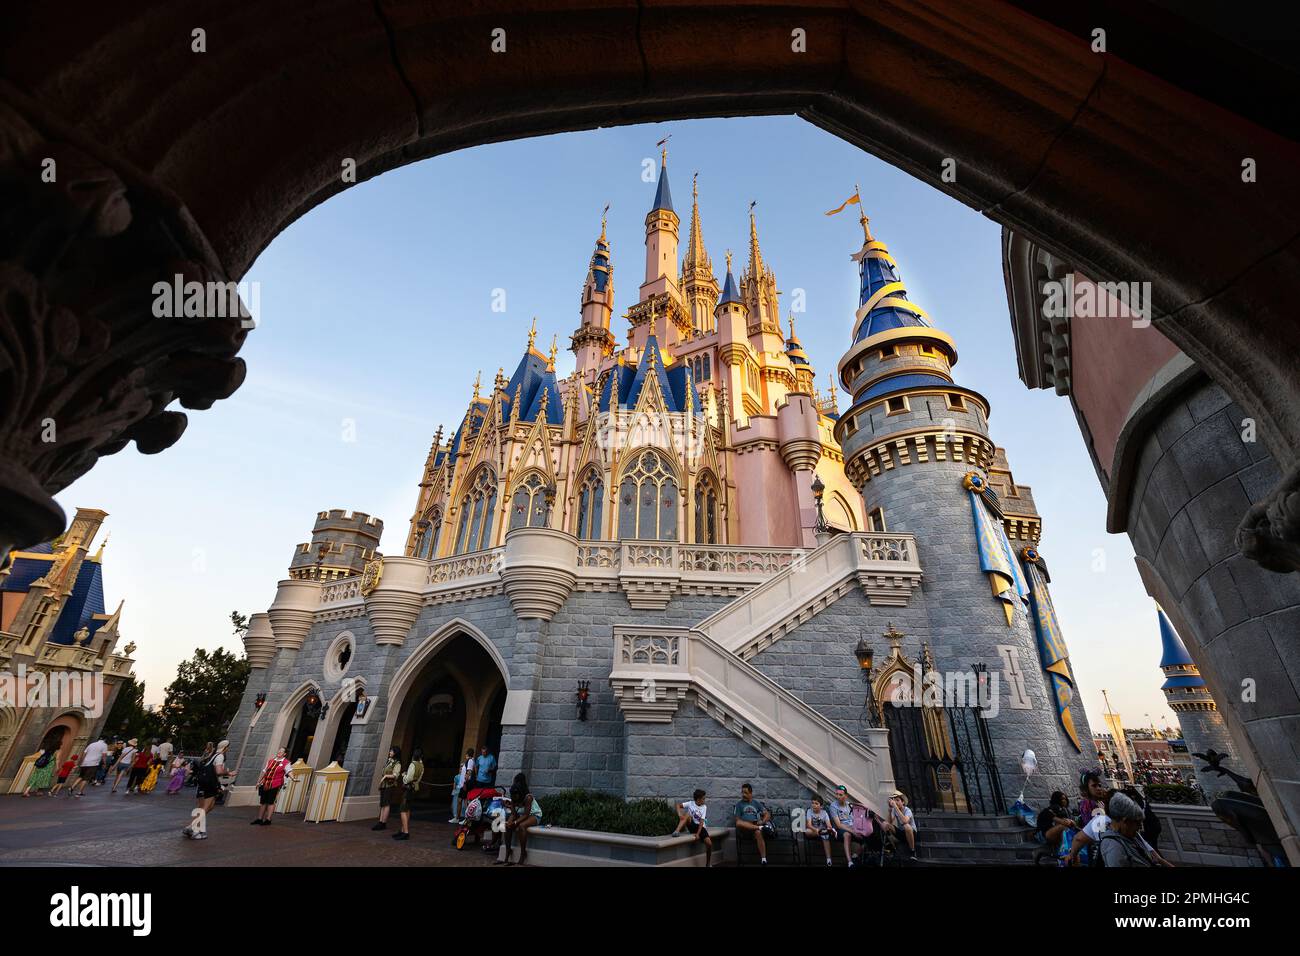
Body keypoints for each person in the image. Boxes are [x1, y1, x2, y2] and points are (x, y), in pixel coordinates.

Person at [183, 740, 231, 840]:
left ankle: (195, 828)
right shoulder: (220, 756)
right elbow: (218, 771)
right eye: (228, 747)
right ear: (225, 747)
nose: (228, 749)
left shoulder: (212, 755)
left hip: (202, 782)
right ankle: (192, 828)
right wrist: (228, 773)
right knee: (206, 807)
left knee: (208, 806)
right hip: (210, 783)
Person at [1098, 792, 1158, 867]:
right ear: (1125, 821)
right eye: (1137, 823)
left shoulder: (1131, 835)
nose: (1140, 827)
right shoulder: (1114, 847)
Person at [499, 772, 541, 865]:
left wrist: (514, 823)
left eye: (516, 795)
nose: (514, 797)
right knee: (506, 826)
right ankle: (508, 850)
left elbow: (526, 815)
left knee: (522, 826)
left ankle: (523, 853)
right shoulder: (513, 797)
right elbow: (513, 814)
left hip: (534, 815)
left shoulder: (528, 797)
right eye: (513, 796)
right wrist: (510, 822)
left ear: (520, 793)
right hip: (521, 815)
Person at [732, 782, 772, 865]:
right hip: (744, 830)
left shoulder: (756, 803)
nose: (743, 795)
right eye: (742, 792)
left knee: (758, 833)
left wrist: (762, 821)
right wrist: (755, 825)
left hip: (754, 828)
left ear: (751, 793)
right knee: (739, 823)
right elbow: (737, 821)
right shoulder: (739, 805)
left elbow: (767, 814)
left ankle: (763, 859)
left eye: (746, 793)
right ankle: (760, 827)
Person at [672, 789, 713, 866]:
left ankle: (707, 864)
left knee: (709, 843)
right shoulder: (690, 803)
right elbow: (678, 805)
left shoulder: (704, 807)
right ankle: (677, 831)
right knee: (687, 814)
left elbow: (701, 822)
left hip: (701, 827)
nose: (704, 800)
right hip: (692, 825)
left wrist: (698, 834)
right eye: (703, 798)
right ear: (698, 799)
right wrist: (679, 814)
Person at [253, 748, 292, 825]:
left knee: (270, 801)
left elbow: (289, 771)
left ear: (284, 754)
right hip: (265, 783)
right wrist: (259, 782)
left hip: (275, 784)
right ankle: (259, 819)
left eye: (281, 751)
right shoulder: (271, 761)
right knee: (263, 801)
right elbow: (265, 772)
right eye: (279, 750)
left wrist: (293, 778)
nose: (279, 752)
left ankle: (268, 820)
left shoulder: (286, 762)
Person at [393, 748, 424, 841]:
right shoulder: (421, 765)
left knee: (403, 809)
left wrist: (404, 776)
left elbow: (408, 779)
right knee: (407, 809)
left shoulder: (413, 764)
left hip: (408, 789)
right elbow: (419, 778)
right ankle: (403, 830)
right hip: (415, 788)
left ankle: (405, 832)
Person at [826, 784, 858, 867]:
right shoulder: (833, 806)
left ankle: (856, 855)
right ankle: (850, 862)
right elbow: (839, 825)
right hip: (839, 830)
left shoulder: (849, 805)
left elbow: (854, 820)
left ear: (846, 796)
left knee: (867, 834)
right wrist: (853, 831)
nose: (838, 797)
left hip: (852, 827)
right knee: (847, 835)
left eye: (840, 795)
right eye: (836, 794)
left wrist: (857, 830)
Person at [372, 745, 402, 831]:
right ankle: (380, 821)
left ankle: (383, 822)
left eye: (392, 751)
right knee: (383, 803)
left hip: (390, 785)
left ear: (395, 753)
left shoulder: (397, 763)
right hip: (384, 785)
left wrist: (385, 776)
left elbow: (395, 775)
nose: (390, 752)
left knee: (386, 803)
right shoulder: (389, 761)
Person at [1036, 790, 1074, 856]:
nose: (1064, 801)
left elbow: (1071, 822)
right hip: (1043, 836)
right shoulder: (1049, 811)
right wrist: (1069, 822)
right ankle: (1062, 852)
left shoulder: (1065, 810)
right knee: (1063, 827)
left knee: (1068, 829)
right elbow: (1064, 823)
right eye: (1062, 799)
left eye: (1065, 799)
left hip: (1054, 835)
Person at [884, 789, 917, 855]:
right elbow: (890, 822)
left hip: (912, 834)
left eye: (897, 800)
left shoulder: (907, 810)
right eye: (894, 800)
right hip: (901, 833)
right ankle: (892, 847)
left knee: (906, 826)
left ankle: (912, 851)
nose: (896, 802)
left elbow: (905, 821)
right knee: (886, 824)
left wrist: (895, 807)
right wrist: (890, 811)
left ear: (903, 802)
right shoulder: (894, 810)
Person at [804, 796, 836, 865]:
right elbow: (808, 825)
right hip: (813, 831)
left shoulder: (824, 813)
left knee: (825, 835)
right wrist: (817, 830)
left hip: (823, 831)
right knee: (807, 831)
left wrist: (829, 828)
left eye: (816, 803)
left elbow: (829, 825)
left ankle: (828, 859)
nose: (814, 805)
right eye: (812, 803)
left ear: (821, 806)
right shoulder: (809, 811)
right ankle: (823, 833)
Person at [450, 747, 475, 823]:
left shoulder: (470, 761)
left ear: (467, 754)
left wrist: (464, 783)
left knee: (465, 801)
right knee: (460, 800)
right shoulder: (468, 761)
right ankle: (457, 818)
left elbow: (469, 772)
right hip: (463, 784)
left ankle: (466, 819)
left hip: (465, 784)